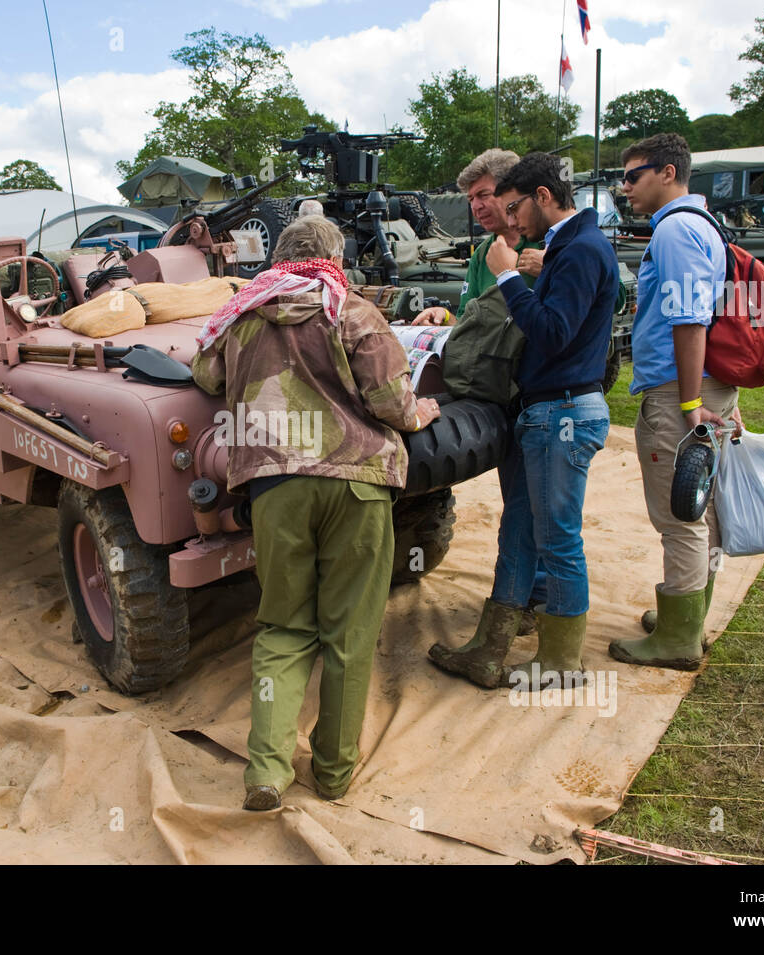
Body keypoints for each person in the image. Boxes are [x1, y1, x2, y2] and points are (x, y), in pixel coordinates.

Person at [191, 216, 440, 810]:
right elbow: (393, 405)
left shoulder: (243, 314)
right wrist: (424, 411)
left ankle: (266, 774)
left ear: (275, 259)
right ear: (336, 257)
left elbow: (204, 373)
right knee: (349, 636)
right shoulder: (352, 312)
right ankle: (332, 773)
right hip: (355, 483)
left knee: (282, 628)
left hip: (274, 487)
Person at [427, 152, 617, 691]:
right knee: (519, 532)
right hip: (545, 411)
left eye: (515, 207)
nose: (513, 221)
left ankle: (560, 662)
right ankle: (489, 650)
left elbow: (553, 332)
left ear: (542, 195)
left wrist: (509, 277)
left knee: (557, 539)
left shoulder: (581, 249)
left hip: (562, 410)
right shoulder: (570, 247)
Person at [608, 133, 743, 670]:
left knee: (679, 515)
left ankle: (679, 639)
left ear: (667, 173)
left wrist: (689, 405)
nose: (624, 188)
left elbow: (690, 319)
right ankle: (686, 614)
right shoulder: (702, 224)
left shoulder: (675, 230)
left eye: (632, 175)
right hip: (703, 387)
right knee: (700, 507)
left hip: (681, 393)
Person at [411, 149, 544, 327]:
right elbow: (467, 323)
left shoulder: (547, 241)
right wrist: (444, 316)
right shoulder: (482, 255)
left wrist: (552, 266)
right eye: (471, 199)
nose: (475, 206)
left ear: (511, 191)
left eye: (483, 195)